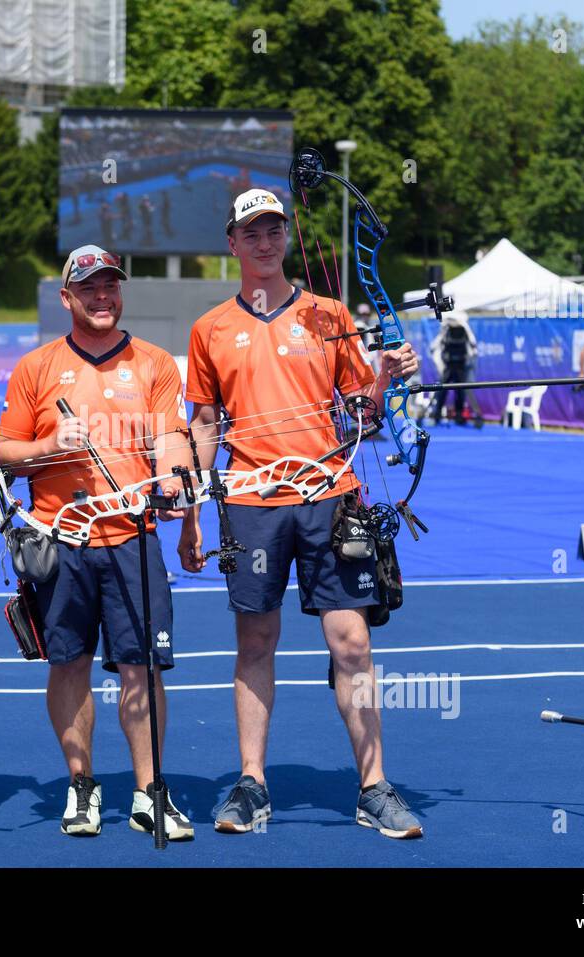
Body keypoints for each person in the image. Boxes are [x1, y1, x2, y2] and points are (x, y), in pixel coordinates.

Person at [178, 189, 424, 839]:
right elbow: (204, 421)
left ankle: (374, 785)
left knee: (354, 642)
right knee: (255, 640)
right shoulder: (210, 329)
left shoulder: (329, 314)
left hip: (328, 498)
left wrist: (384, 379)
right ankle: (252, 782)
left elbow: (363, 417)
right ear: (231, 243)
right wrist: (195, 506)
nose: (264, 242)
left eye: (273, 230)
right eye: (250, 232)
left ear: (286, 237)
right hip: (251, 502)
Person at [0, 245, 195, 841]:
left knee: (143, 666)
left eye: (110, 286)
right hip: (62, 542)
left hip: (134, 537)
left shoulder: (156, 362)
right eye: (89, 288)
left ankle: (148, 790)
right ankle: (81, 785)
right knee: (69, 664)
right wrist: (50, 444)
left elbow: (173, 439)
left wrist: (180, 481)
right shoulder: (36, 368)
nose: (102, 297)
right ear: (67, 299)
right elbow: (3, 454)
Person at [427, 310, 481, 425]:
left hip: (459, 366)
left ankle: (457, 415)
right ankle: (440, 415)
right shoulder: (447, 330)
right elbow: (435, 345)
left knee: (459, 391)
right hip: (450, 366)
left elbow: (473, 344)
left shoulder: (464, 330)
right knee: (444, 390)